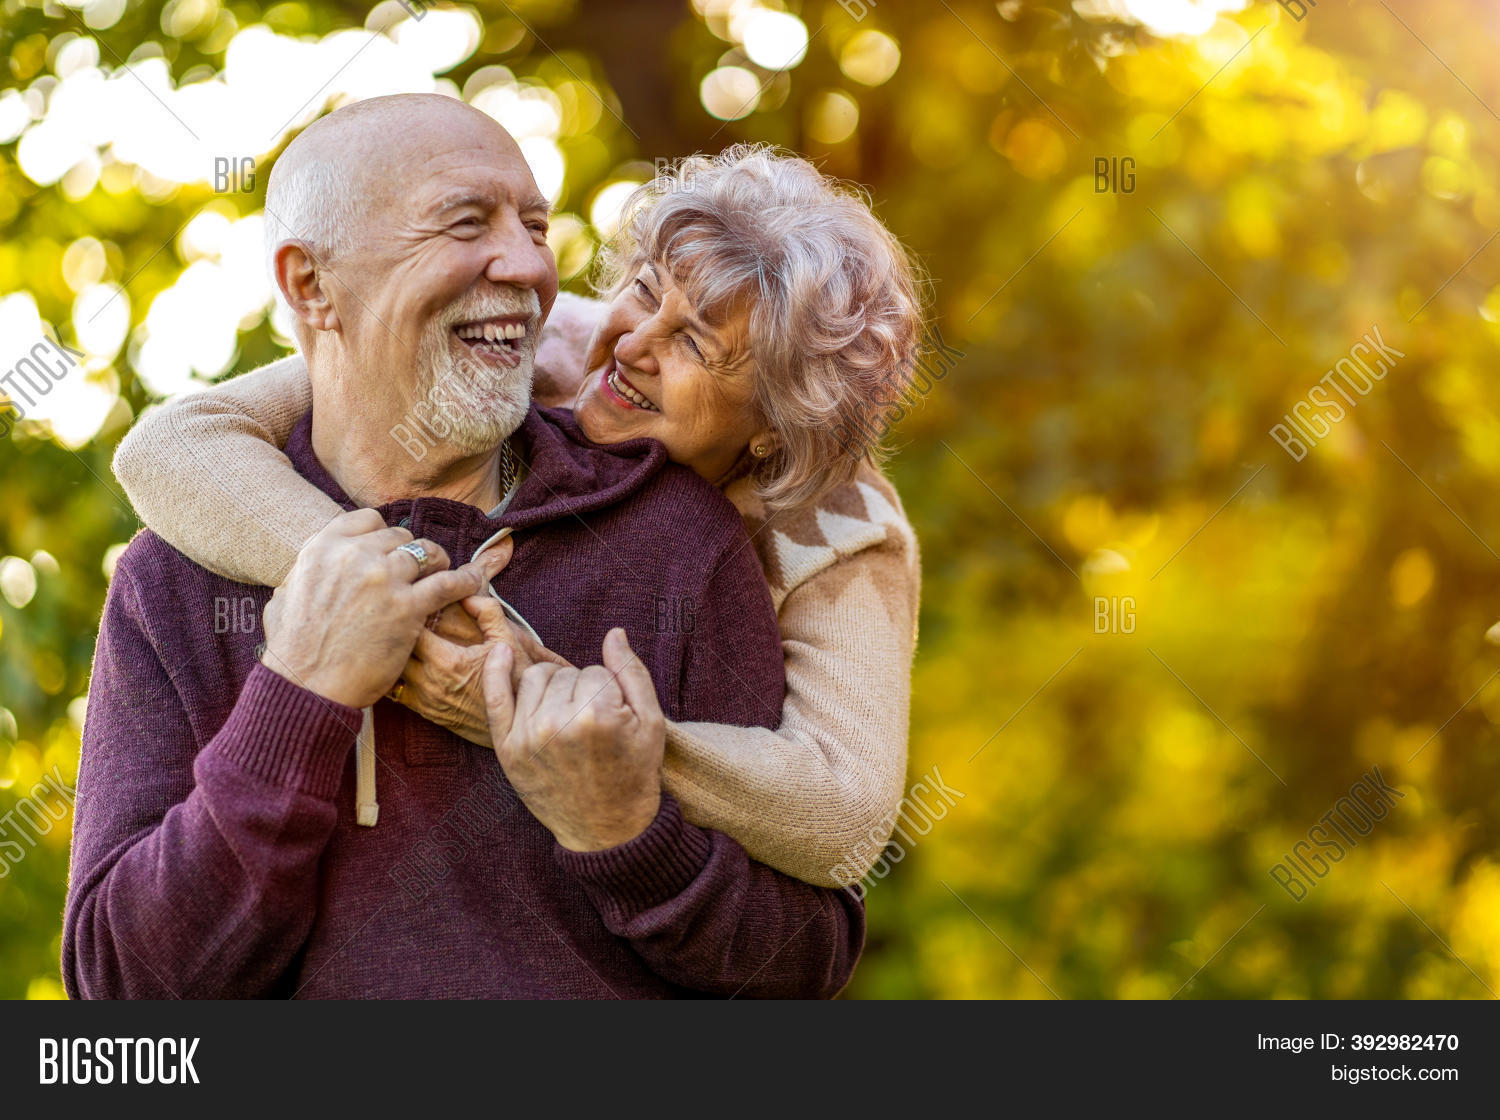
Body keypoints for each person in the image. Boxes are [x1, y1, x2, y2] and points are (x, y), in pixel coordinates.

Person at [65, 94, 863, 999]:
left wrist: (627, 833)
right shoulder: (172, 576)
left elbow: (805, 965)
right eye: (465, 223)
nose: (528, 266)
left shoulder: (678, 539)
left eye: (535, 226)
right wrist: (299, 694)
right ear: (312, 286)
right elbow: (122, 989)